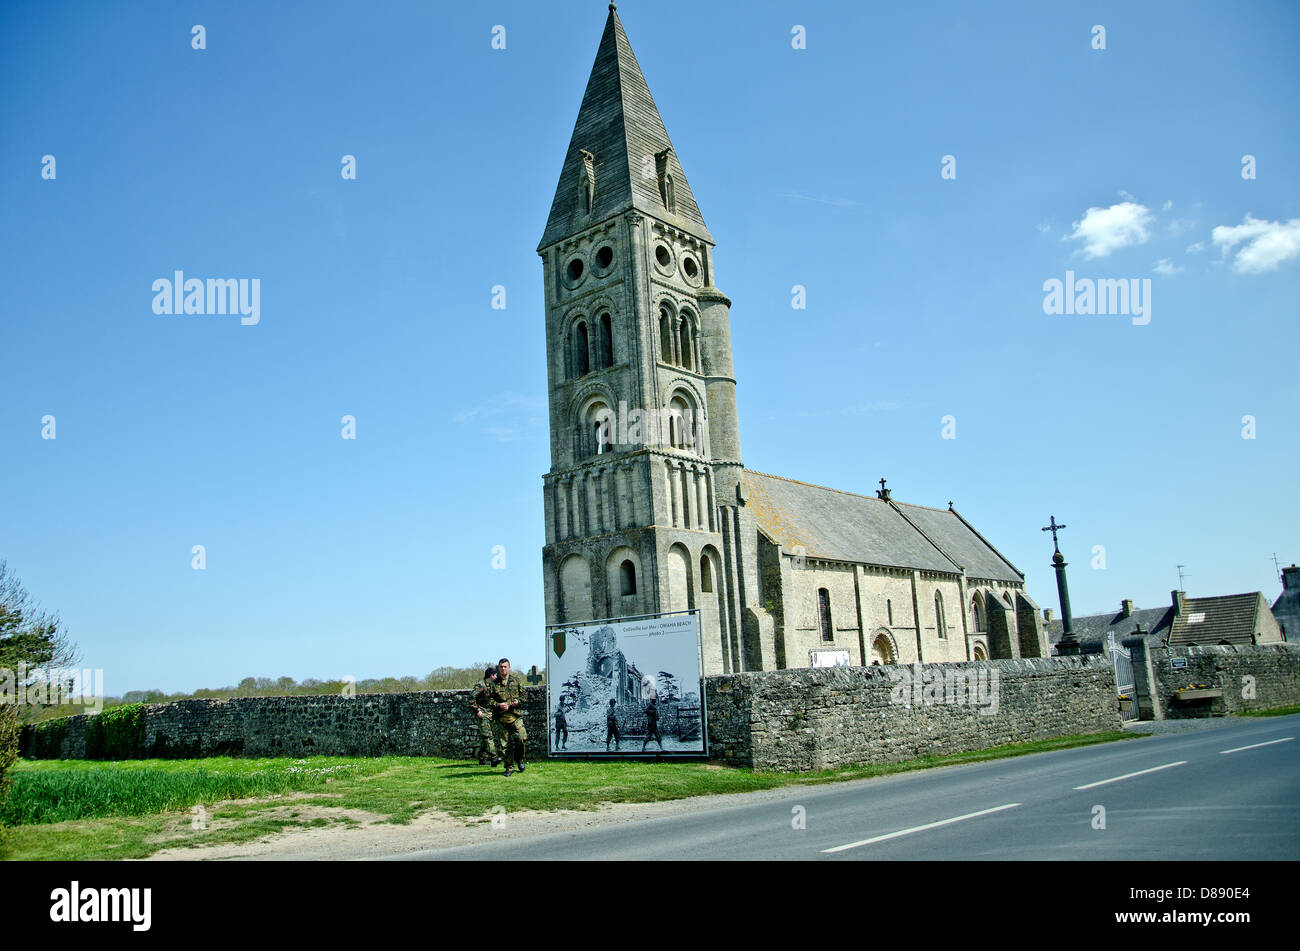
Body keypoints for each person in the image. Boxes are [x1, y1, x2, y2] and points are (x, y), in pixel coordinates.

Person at [488, 657, 527, 776]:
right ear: (498, 668)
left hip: (515, 716)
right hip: (501, 717)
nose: (503, 669)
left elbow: (524, 697)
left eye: (505, 666)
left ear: (509, 667)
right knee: (504, 744)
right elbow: (488, 701)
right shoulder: (493, 684)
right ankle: (509, 767)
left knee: (521, 738)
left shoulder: (516, 681)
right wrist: (498, 705)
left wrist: (517, 702)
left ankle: (520, 759)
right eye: (501, 667)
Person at [470, 667, 501, 766]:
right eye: (495, 675)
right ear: (491, 676)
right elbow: (471, 698)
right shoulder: (480, 685)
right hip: (482, 714)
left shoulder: (493, 686)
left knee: (486, 736)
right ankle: (494, 757)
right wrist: (477, 710)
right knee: (488, 736)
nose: (496, 677)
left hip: (491, 714)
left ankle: (482, 758)